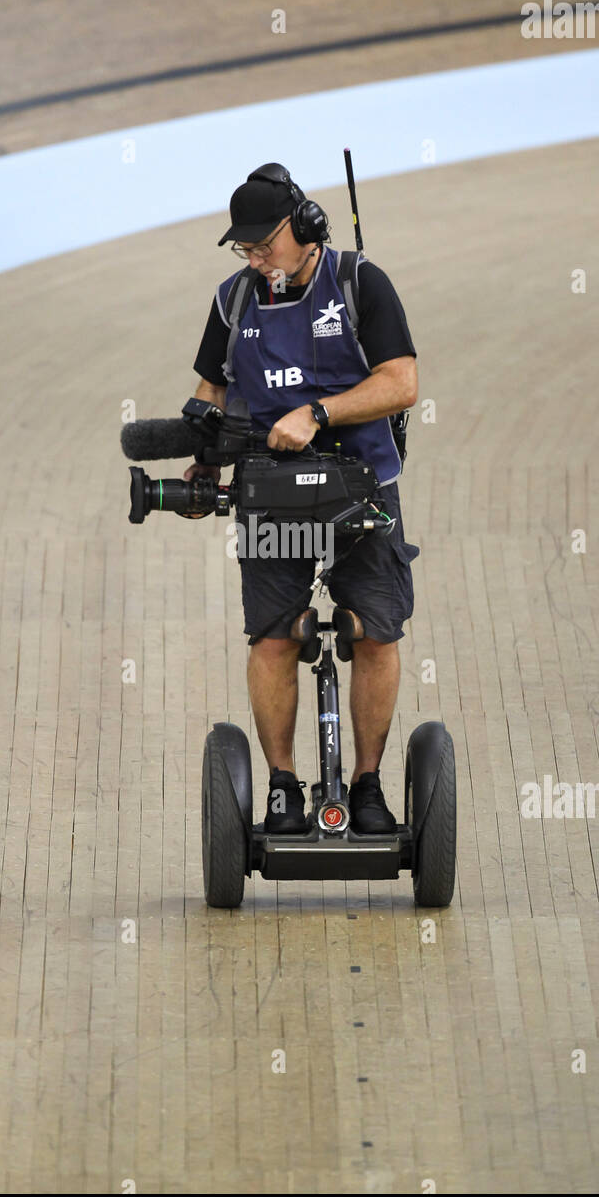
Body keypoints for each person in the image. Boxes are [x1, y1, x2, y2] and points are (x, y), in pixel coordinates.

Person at [184, 162, 419, 834]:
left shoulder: (359, 284)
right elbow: (211, 394)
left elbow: (400, 383)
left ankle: (368, 787)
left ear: (307, 229)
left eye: (266, 245)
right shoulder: (234, 301)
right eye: (246, 248)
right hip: (271, 497)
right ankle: (283, 786)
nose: (257, 259)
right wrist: (202, 466)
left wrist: (318, 413)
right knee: (273, 638)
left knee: (376, 634)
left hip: (360, 489)